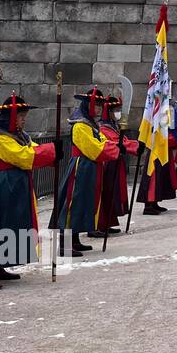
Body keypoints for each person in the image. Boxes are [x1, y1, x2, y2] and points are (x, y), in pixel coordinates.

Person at [0, 94, 56, 289]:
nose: (23, 119)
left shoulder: (21, 136)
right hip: (2, 186)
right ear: (11, 117)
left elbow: (33, 148)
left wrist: (51, 151)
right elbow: (22, 156)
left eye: (24, 116)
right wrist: (51, 151)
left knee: (10, 223)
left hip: (15, 186)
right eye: (20, 116)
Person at [53, 87, 120, 253]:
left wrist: (118, 146)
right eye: (96, 105)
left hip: (90, 167)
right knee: (73, 202)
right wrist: (116, 150)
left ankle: (74, 239)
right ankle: (64, 243)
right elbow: (93, 149)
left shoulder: (92, 124)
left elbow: (103, 141)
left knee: (82, 203)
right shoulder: (80, 126)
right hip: (81, 166)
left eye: (100, 106)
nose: (98, 109)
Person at [95, 94, 138, 237]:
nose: (118, 113)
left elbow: (123, 140)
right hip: (107, 164)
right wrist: (135, 146)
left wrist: (135, 145)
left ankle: (107, 223)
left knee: (111, 195)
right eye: (115, 110)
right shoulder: (104, 128)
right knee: (105, 194)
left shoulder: (113, 126)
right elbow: (118, 142)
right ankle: (98, 225)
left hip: (115, 163)